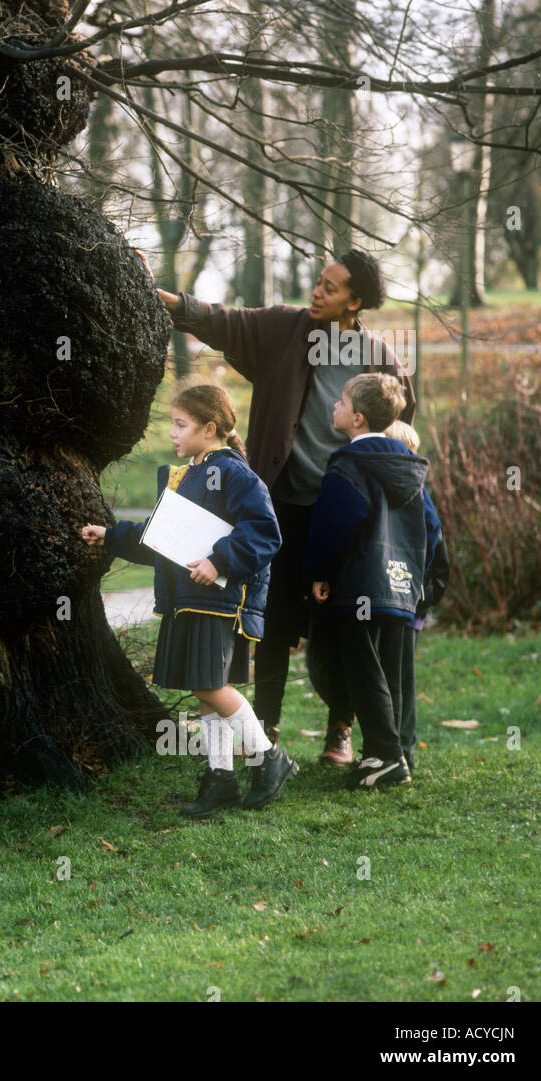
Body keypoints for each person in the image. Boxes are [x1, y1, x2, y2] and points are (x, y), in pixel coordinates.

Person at [156, 251, 414, 754]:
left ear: (356, 302)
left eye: (331, 288)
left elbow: (400, 427)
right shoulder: (286, 329)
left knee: (341, 621)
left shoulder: (379, 358)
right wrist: (161, 299)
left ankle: (341, 728)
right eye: (318, 282)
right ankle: (266, 729)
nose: (317, 292)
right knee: (272, 618)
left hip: (346, 513)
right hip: (284, 506)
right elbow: (222, 321)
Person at [80, 382, 294, 818]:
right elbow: (165, 538)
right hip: (188, 600)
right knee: (205, 691)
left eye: (181, 425)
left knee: (209, 685)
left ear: (210, 428)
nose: (173, 434)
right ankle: (221, 779)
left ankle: (269, 758)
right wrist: (111, 535)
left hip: (219, 599)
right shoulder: (184, 474)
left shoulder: (234, 473)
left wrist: (219, 562)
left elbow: (264, 533)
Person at [303, 375, 440, 790]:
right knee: (392, 673)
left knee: (364, 671)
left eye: (340, 402)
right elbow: (431, 530)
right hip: (400, 590)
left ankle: (383, 756)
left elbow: (334, 525)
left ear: (357, 418)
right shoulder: (410, 467)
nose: (333, 407)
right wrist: (415, 579)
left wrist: (319, 573)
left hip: (359, 589)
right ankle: (397, 753)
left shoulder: (347, 465)